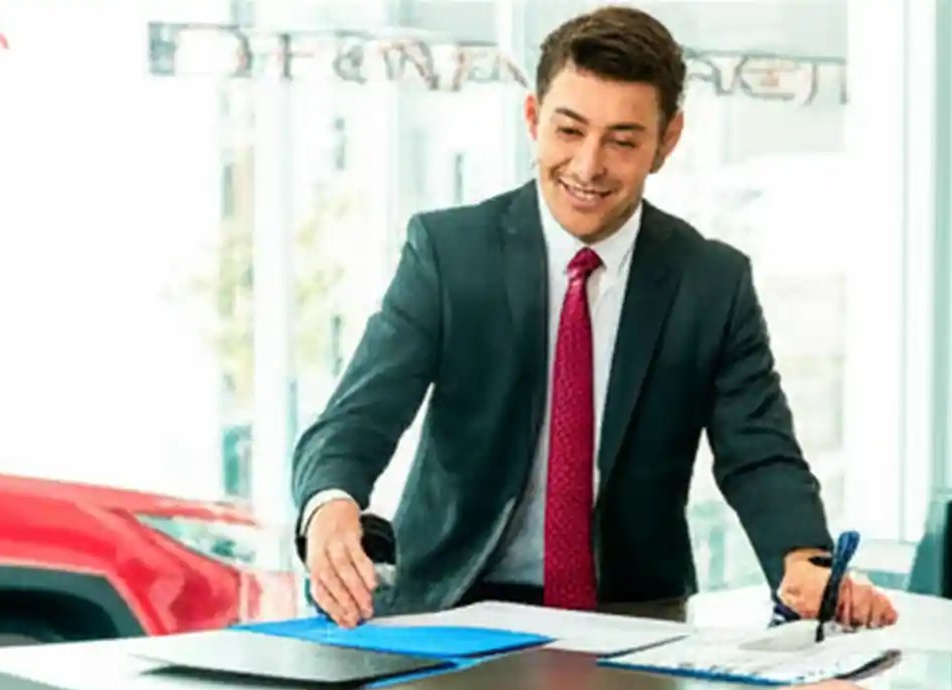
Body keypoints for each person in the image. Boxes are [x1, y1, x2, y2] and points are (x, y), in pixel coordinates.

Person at [290, 4, 898, 630]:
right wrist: (331, 506)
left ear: (667, 141)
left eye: (622, 141)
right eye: (569, 131)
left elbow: (759, 452)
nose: (587, 167)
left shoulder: (712, 282)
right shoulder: (451, 254)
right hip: (452, 604)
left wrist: (802, 560)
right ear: (534, 119)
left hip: (632, 617)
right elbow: (356, 419)